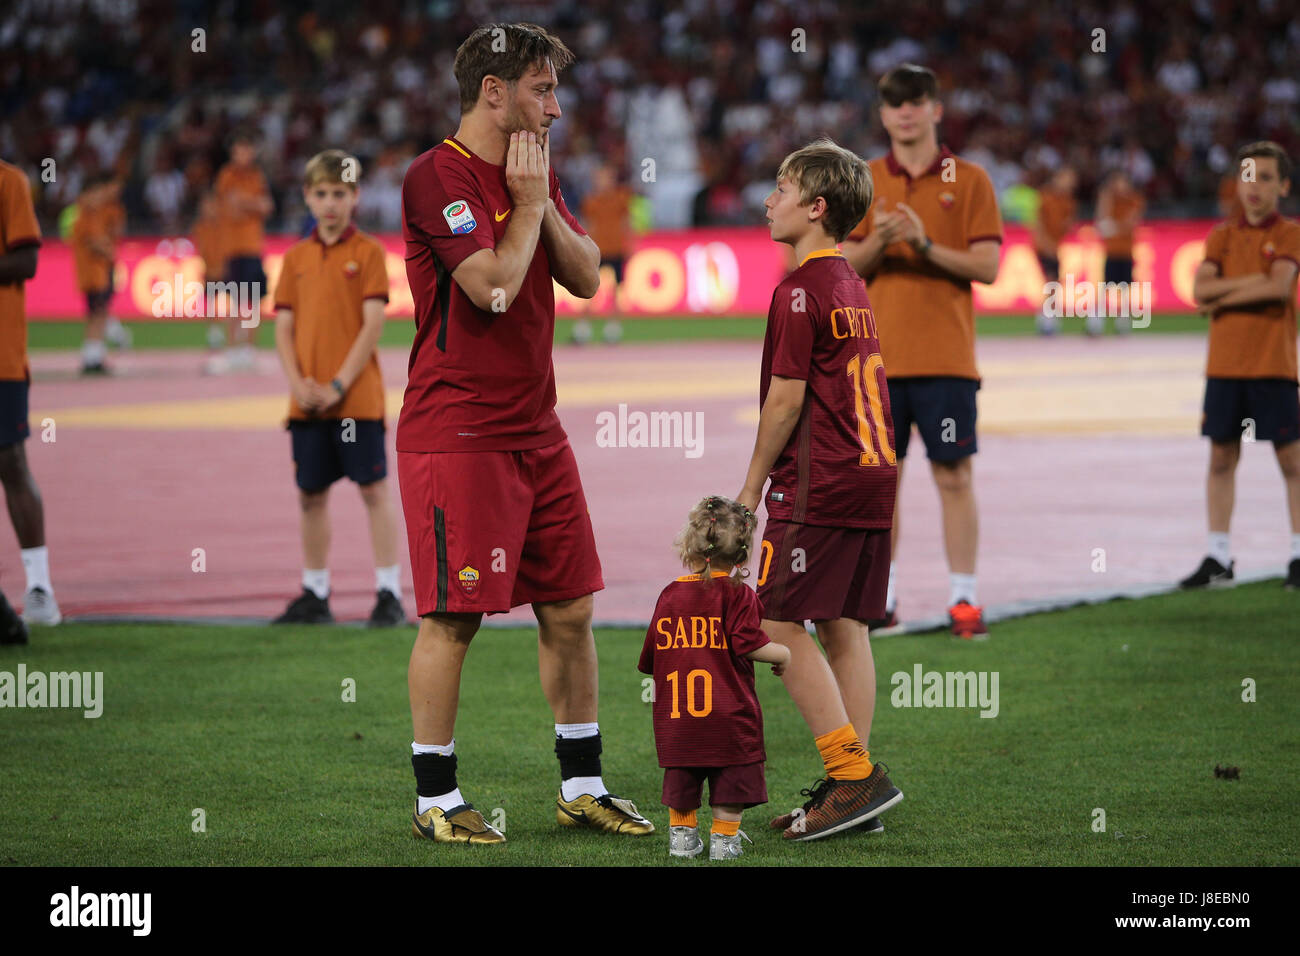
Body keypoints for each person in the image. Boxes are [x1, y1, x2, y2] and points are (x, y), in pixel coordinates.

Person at [398, 22, 651, 845]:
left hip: (537, 430)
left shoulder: (531, 168)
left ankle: (583, 784)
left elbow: (585, 275)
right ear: (493, 92)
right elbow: (492, 289)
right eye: (543, 89)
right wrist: (533, 207)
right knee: (453, 617)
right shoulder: (436, 175)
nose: (557, 105)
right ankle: (435, 797)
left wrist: (541, 201)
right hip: (457, 434)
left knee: (572, 609)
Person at [738, 137, 904, 842]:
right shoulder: (851, 284)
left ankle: (852, 774)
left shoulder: (799, 289)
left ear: (816, 206)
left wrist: (746, 496)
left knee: (772, 624)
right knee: (844, 627)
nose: (768, 199)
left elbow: (783, 404)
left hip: (821, 484)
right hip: (873, 477)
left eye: (782, 187)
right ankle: (851, 791)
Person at [842, 64, 1003, 639]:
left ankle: (964, 599)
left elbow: (987, 266)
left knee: (954, 476)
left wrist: (924, 244)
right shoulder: (860, 179)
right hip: (875, 362)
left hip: (946, 360)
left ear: (936, 108)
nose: (904, 112)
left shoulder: (973, 179)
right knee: (880, 486)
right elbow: (838, 268)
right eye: (893, 103)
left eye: (915, 102)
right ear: (883, 114)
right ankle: (881, 598)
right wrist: (882, 241)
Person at [270, 150, 404, 627]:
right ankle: (315, 591)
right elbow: (282, 328)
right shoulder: (295, 258)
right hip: (307, 400)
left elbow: (372, 325)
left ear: (355, 197)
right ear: (307, 197)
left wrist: (338, 383)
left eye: (340, 194)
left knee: (373, 489)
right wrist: (299, 383)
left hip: (356, 397)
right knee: (310, 494)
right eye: (322, 193)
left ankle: (388, 591)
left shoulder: (367, 253)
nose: (331, 203)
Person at [638, 496, 790, 860]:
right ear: (741, 556)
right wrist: (782, 653)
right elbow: (748, 643)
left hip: (677, 717)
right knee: (732, 778)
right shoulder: (739, 594)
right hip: (728, 715)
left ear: (688, 545)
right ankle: (724, 840)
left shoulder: (670, 595)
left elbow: (649, 659)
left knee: (682, 777)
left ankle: (682, 838)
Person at [1181, 141, 1300, 591]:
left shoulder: (1289, 233)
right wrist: (1253, 282)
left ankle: (1297, 554)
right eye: (1249, 176)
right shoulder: (1221, 235)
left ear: (1283, 186)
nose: (1255, 187)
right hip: (1225, 366)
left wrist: (1224, 292)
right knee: (1220, 459)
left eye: (1266, 178)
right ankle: (1218, 556)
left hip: (1273, 365)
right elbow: (1198, 290)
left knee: (1292, 462)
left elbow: (1278, 289)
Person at [0, 159, 59, 626]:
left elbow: (26, 260)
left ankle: (39, 587)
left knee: (11, 462)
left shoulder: (9, 181)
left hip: (2, 355)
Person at [206, 129, 271, 374]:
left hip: (253, 247)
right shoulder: (227, 175)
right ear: (233, 152)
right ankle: (233, 350)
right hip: (233, 247)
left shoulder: (256, 176)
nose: (244, 154)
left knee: (254, 302)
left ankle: (249, 351)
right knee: (234, 301)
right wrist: (253, 204)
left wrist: (246, 202)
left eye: (247, 149)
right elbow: (232, 206)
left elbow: (266, 206)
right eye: (239, 149)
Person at [70, 172, 124, 374]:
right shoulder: (85, 215)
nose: (99, 197)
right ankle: (91, 357)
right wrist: (108, 250)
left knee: (99, 313)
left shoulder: (95, 213)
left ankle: (95, 355)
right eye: (96, 193)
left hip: (97, 271)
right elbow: (94, 241)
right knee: (96, 314)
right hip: (93, 272)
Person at [574, 163, 632, 344]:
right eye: (598, 179)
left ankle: (612, 329)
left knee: (616, 291)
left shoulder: (621, 198)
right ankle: (583, 329)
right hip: (597, 251)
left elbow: (627, 223)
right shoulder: (591, 201)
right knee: (589, 289)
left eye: (604, 178)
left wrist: (629, 245)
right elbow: (586, 225)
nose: (601, 182)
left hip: (616, 249)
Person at [1095, 169, 1144, 336]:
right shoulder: (1111, 200)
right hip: (1112, 251)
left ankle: (1122, 321)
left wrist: (1113, 226)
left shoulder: (1133, 200)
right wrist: (1106, 197)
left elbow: (1128, 223)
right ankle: (1097, 322)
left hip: (1126, 251)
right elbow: (1102, 223)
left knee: (1124, 288)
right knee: (1106, 287)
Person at [1034, 167, 1077, 335]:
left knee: (1054, 283)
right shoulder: (1046, 196)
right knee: (1051, 281)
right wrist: (1046, 245)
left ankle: (1047, 316)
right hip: (1044, 246)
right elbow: (1038, 224)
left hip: (1055, 246)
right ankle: (1047, 318)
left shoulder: (1068, 201)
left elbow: (1067, 225)